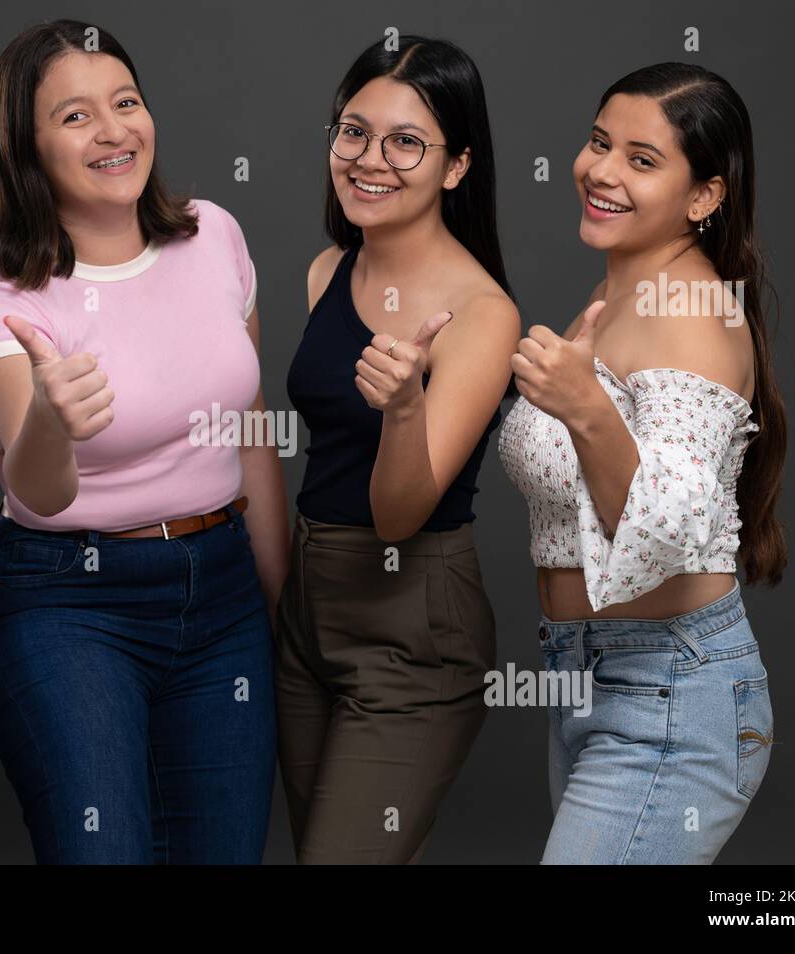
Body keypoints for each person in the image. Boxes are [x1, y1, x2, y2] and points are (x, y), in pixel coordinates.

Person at [0, 20, 287, 864]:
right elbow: (39, 491)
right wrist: (48, 420)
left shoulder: (214, 234)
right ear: (24, 149)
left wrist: (276, 595)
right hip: (69, 602)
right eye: (75, 116)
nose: (113, 131)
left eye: (126, 102)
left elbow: (250, 427)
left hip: (221, 594)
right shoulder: (4, 305)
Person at [499, 62, 785, 863]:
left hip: (669, 690)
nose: (601, 171)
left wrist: (583, 402)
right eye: (599, 144)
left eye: (642, 159)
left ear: (704, 196)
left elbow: (661, 533)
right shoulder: (622, 291)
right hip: (585, 675)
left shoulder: (690, 312)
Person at [275, 35, 520, 864]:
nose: (370, 160)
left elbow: (399, 514)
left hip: (411, 627)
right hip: (307, 617)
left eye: (407, 141)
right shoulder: (325, 272)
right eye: (353, 132)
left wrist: (405, 409)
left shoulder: (482, 314)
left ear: (456, 168)